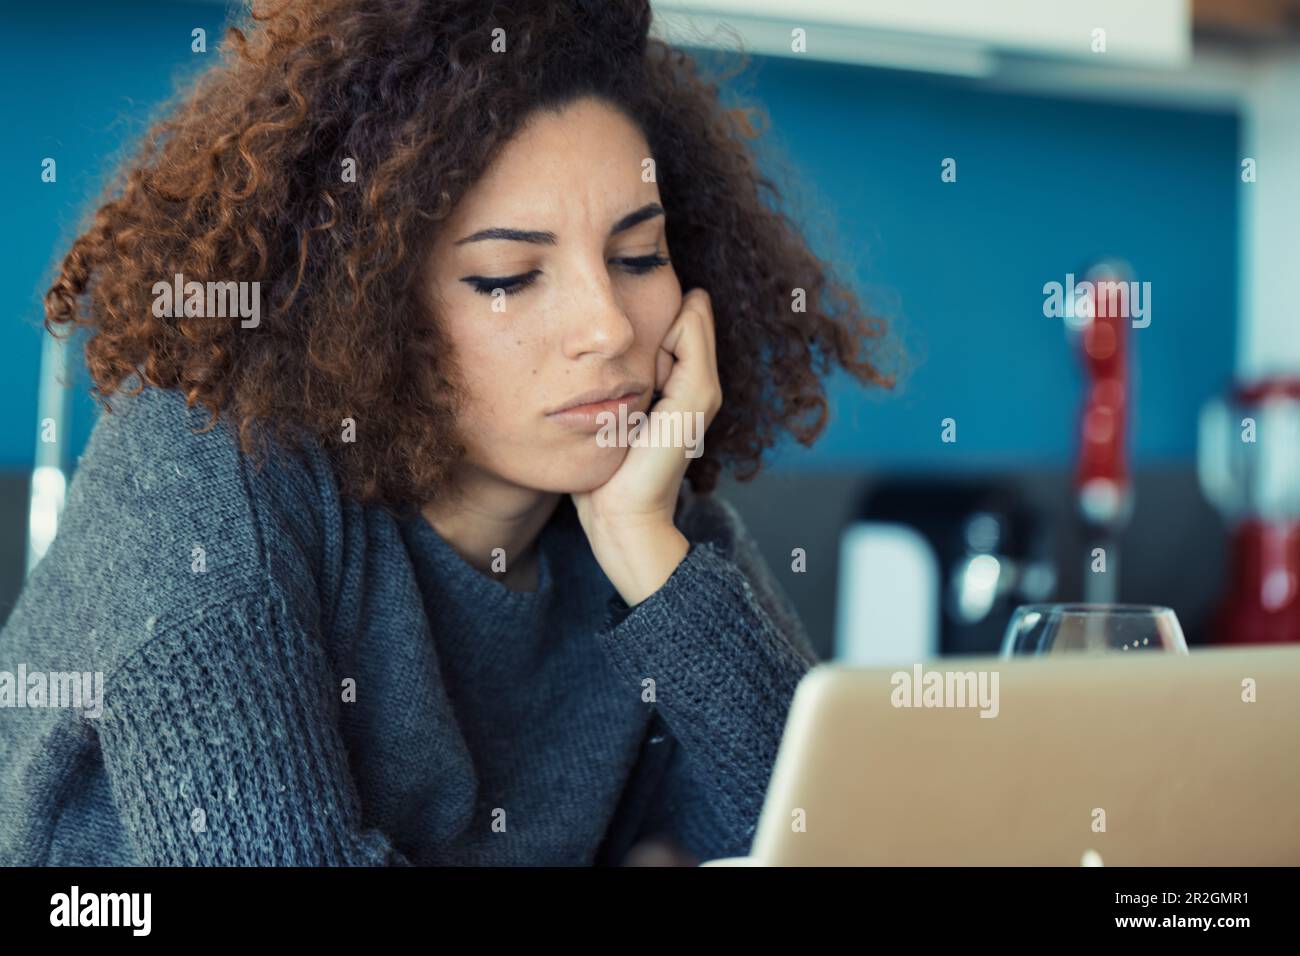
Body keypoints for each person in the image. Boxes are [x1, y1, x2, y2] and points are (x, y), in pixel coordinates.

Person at [0, 0, 894, 866]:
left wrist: (643, 546)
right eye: (508, 275)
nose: (611, 328)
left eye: (638, 257)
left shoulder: (641, 514)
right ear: (367, 305)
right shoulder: (202, 470)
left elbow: (851, 846)